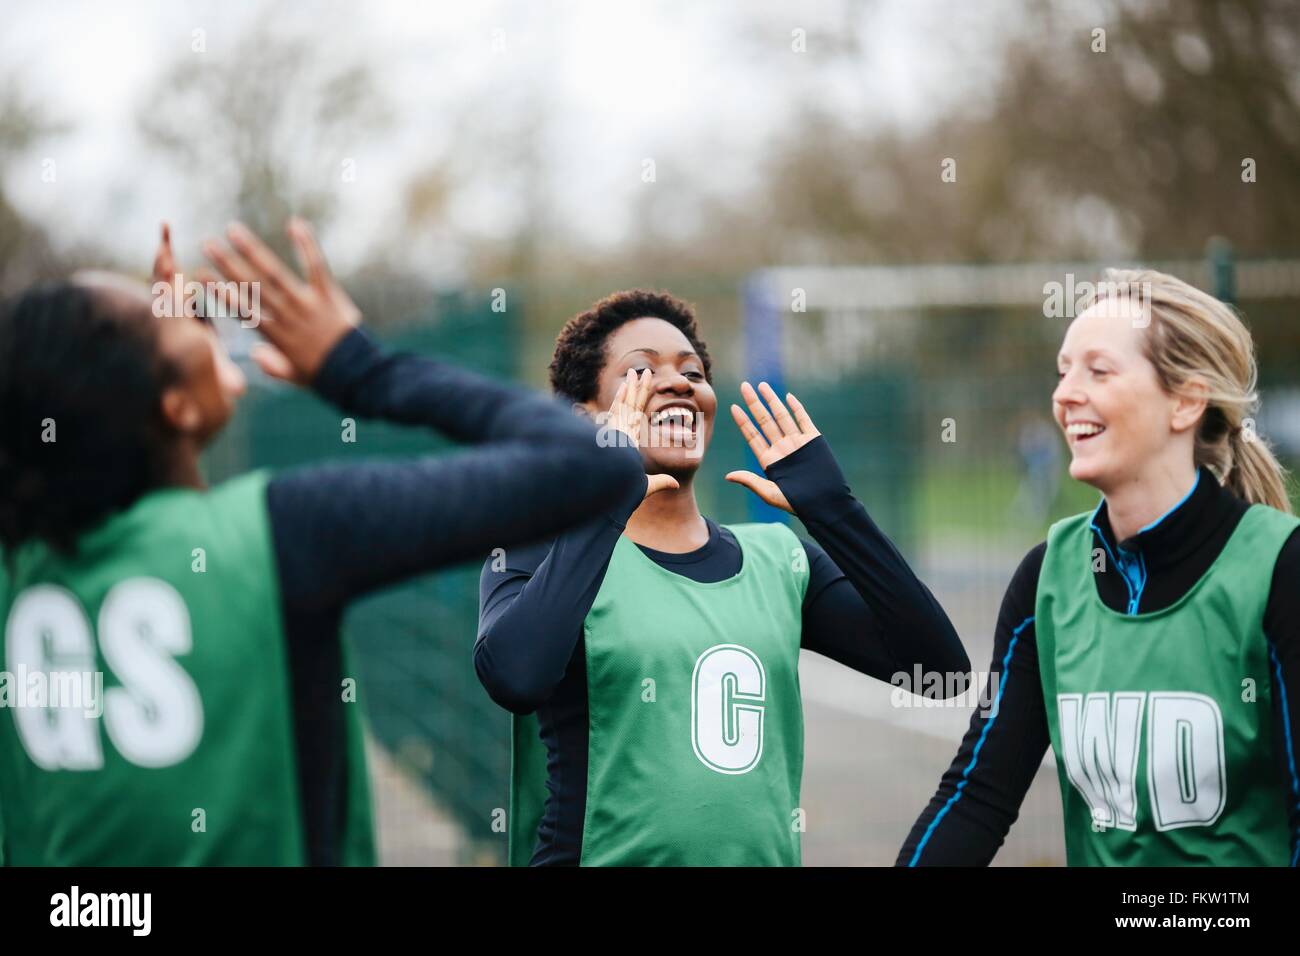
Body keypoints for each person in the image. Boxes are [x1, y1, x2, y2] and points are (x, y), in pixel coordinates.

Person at [0, 221, 645, 865]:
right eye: (165, 319)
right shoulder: (281, 532)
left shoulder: (20, 571)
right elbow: (599, 463)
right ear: (174, 406)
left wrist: (128, 377)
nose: (193, 316)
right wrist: (359, 366)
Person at [476, 289, 970, 866]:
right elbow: (514, 677)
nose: (679, 383)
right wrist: (606, 485)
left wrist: (836, 511)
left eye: (693, 372)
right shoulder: (546, 552)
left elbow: (940, 672)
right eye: (642, 370)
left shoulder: (778, 560)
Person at [900, 269, 1300, 867]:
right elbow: (977, 796)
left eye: (1098, 370)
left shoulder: (1279, 568)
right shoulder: (1049, 579)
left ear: (1187, 400)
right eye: (1064, 371)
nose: (1064, 394)